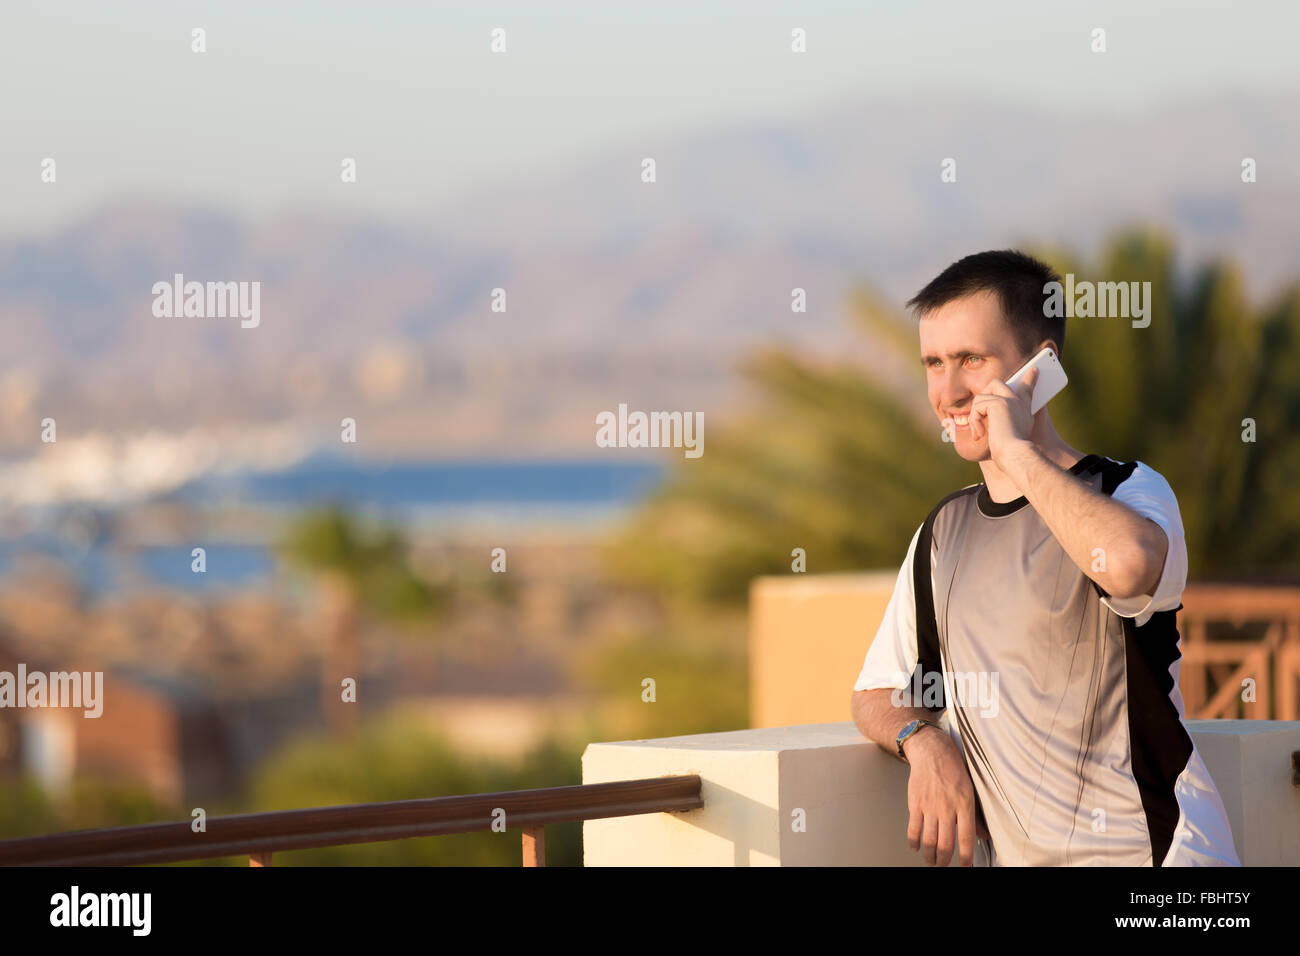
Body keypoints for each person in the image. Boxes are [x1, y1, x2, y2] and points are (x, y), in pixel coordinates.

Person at [849, 250, 1240, 867]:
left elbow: (1131, 566)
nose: (949, 391)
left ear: (1041, 368)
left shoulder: (1127, 490)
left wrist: (1016, 452)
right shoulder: (941, 533)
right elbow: (875, 691)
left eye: (972, 360)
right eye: (934, 363)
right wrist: (922, 742)